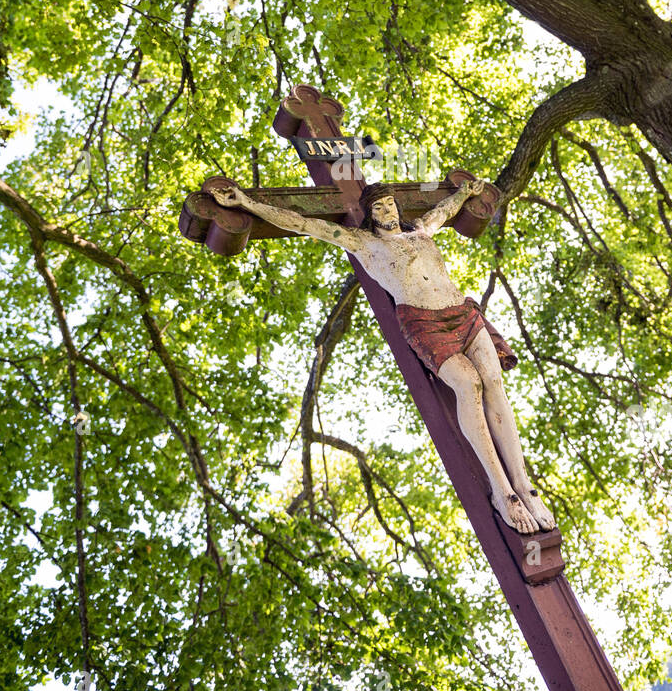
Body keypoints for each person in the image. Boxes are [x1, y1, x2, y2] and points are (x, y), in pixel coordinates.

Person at [211, 177, 555, 535]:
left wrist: (465, 193)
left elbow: (446, 209)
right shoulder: (363, 242)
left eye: (389, 203)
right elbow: (302, 222)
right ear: (370, 215)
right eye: (378, 207)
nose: (386, 210)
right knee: (469, 385)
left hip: (463, 312)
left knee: (494, 383)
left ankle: (525, 487)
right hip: (424, 320)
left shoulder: (422, 230)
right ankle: (504, 493)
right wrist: (246, 203)